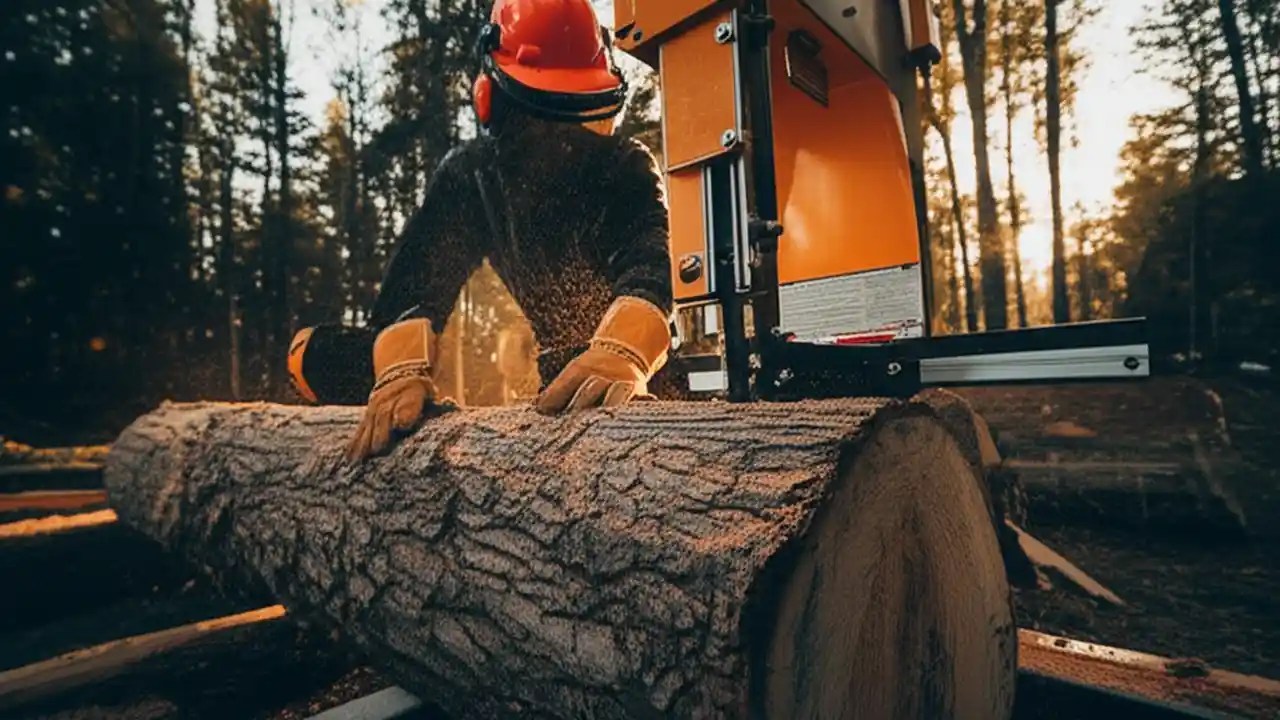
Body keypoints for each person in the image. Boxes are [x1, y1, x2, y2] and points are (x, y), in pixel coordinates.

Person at [287, 0, 675, 461]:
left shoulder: (622, 167)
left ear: (488, 95)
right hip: (559, 385)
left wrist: (622, 351)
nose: (552, 148)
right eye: (538, 123)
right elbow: (415, 288)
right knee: (310, 354)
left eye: (563, 126)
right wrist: (399, 368)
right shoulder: (473, 177)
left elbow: (651, 269)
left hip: (636, 389)